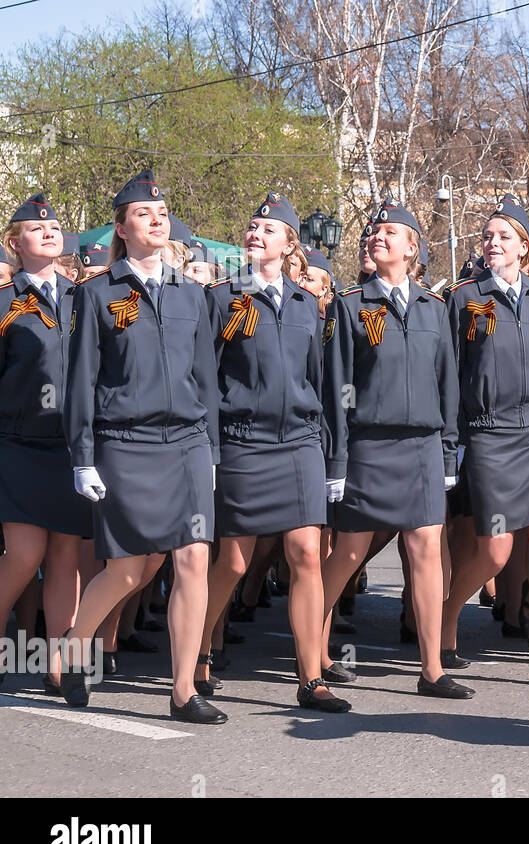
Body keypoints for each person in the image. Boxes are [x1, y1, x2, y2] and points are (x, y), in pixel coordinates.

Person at [60, 170, 226, 724]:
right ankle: (72, 647)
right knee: (131, 570)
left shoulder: (192, 294)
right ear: (122, 229)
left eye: (161, 213)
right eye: (142, 214)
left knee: (193, 560)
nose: (157, 220)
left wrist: (213, 454)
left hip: (186, 444)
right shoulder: (97, 292)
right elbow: (81, 380)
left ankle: (183, 691)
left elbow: (207, 378)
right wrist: (82, 458)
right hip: (125, 444)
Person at [196, 193, 347, 713]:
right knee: (234, 561)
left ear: (290, 245)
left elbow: (318, 381)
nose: (256, 232)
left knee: (306, 554)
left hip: (301, 441)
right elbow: (207, 380)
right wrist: (211, 450)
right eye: (253, 225)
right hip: (243, 440)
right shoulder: (222, 298)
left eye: (269, 227)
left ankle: (310, 678)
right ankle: (197, 652)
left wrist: (330, 448)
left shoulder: (308, 305)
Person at [321, 199, 471, 699]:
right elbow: (337, 389)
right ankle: (315, 656)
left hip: (423, 446)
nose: (376, 237)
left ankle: (431, 667)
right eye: (372, 231)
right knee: (348, 553)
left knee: (427, 549)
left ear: (413, 248)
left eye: (389, 232)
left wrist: (449, 450)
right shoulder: (349, 305)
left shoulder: (435, 307)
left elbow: (448, 384)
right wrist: (337, 459)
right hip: (368, 446)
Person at [441, 195, 529, 689]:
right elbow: (450, 375)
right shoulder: (464, 298)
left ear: (525, 247)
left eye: (504, 236)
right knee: (496, 553)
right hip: (488, 435)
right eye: (487, 236)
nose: (492, 243)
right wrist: (453, 439)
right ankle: (444, 618)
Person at [0, 195, 94, 693]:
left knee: (65, 556)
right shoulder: (4, 301)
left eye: (55, 226)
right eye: (37, 229)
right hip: (18, 442)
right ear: (15, 243)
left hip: (71, 445)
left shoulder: (84, 298)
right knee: (24, 555)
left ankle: (62, 663)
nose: (49, 232)